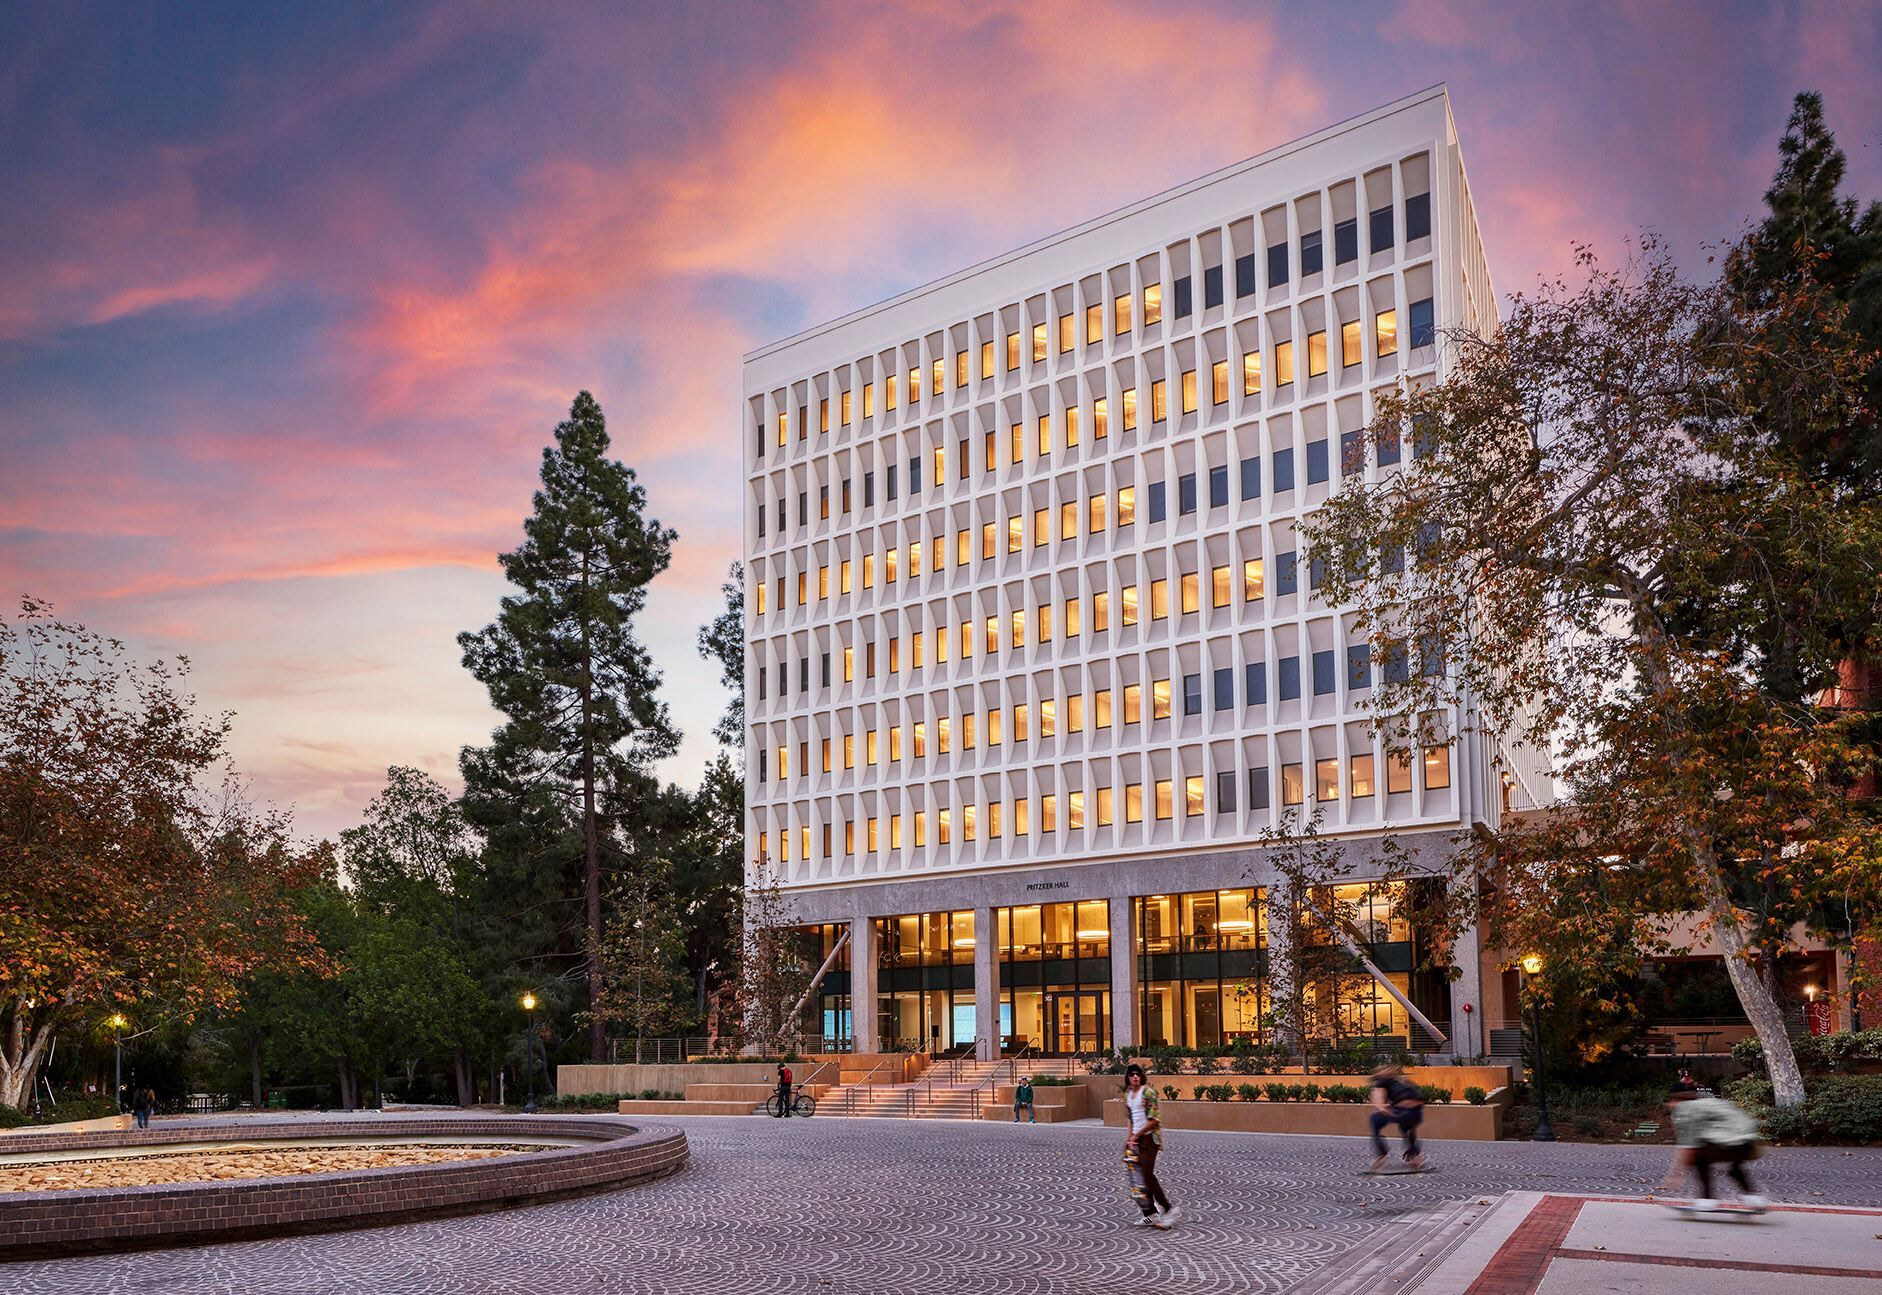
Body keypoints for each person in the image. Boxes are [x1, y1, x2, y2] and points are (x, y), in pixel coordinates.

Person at [1660, 1085, 1768, 1211]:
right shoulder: (1713, 1102)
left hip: (1730, 1143)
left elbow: (1688, 1148)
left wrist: (1676, 1177)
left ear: (1678, 1099)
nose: (1671, 1104)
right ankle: (1753, 1198)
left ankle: (1707, 1199)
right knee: (1734, 1167)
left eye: (1672, 1101)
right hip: (1749, 1144)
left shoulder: (1686, 1109)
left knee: (1699, 1159)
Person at [1122, 1064, 1182, 1228]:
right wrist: (1128, 1138)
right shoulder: (1128, 1094)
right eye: (1132, 1074)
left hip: (1149, 1140)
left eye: (1138, 1074)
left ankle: (1169, 1210)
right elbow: (1130, 1118)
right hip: (1135, 1142)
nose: (1135, 1077)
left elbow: (1154, 1120)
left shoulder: (1147, 1093)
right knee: (1137, 1181)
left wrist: (1137, 1134)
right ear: (1127, 1077)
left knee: (1147, 1176)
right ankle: (1150, 1214)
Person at [1368, 1064, 1427, 1172]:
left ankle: (1382, 1155)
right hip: (1416, 1112)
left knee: (1375, 1119)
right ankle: (1415, 1158)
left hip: (1406, 1111)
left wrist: (1382, 1109)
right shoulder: (1399, 1081)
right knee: (1406, 1128)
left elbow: (1379, 1101)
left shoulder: (1384, 1081)